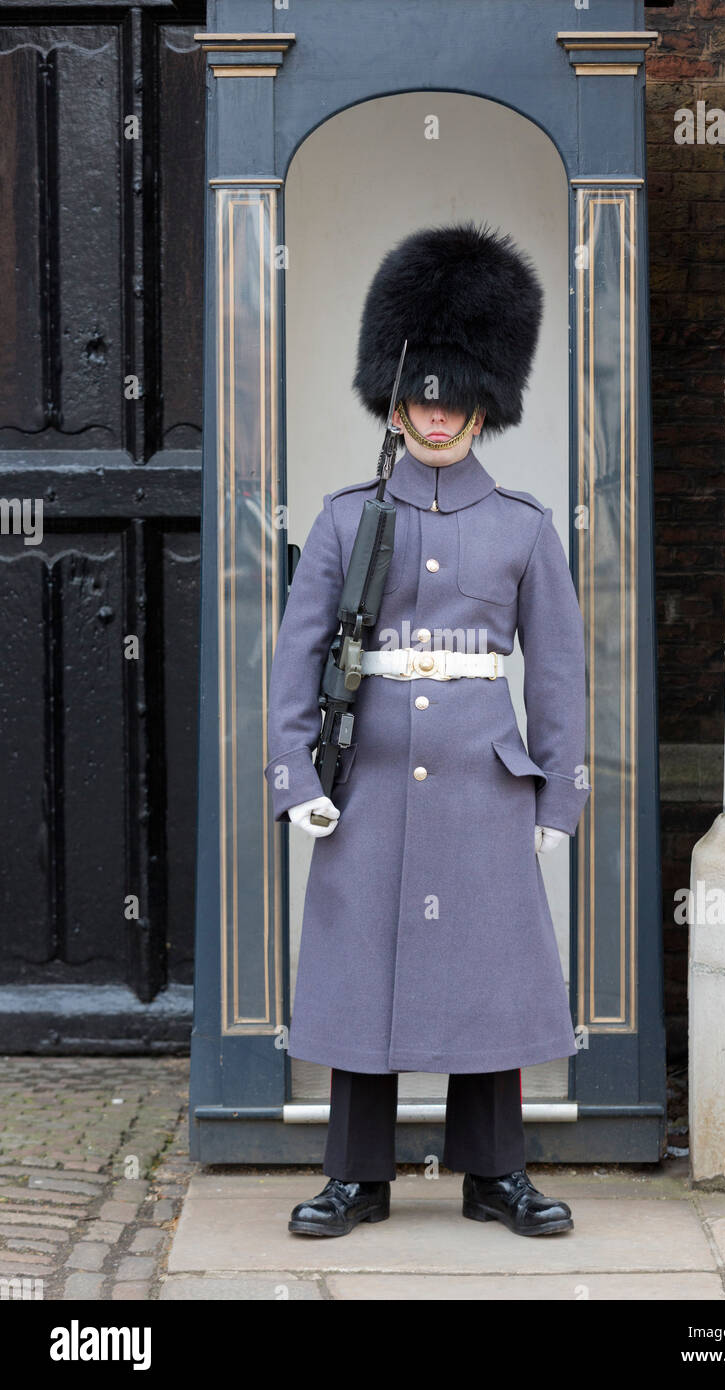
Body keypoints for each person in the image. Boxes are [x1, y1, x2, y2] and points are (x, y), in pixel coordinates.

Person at [265, 222, 590, 1238]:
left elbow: (560, 667)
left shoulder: (523, 526)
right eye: (420, 397)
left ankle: (494, 1174)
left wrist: (557, 791)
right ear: (396, 402)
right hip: (365, 774)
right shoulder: (344, 517)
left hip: (483, 778)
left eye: (454, 399)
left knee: (488, 971)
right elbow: (297, 655)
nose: (436, 416)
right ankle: (356, 1178)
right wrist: (294, 772)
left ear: (483, 406)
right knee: (361, 969)